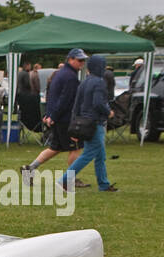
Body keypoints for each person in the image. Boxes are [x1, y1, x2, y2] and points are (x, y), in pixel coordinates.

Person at [23, 48, 87, 185]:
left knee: (55, 148)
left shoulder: (59, 74)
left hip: (58, 118)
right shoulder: (70, 77)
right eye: (79, 60)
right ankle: (71, 179)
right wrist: (54, 116)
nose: (82, 63)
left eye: (83, 60)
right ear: (70, 59)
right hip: (66, 119)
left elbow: (51, 96)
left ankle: (30, 168)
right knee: (75, 148)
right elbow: (65, 100)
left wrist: (49, 115)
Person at [59, 54, 118, 194]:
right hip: (95, 123)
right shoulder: (99, 82)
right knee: (89, 153)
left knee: (100, 156)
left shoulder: (84, 82)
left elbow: (76, 105)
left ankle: (103, 184)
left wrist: (73, 126)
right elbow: (98, 103)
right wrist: (108, 111)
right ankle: (64, 180)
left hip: (83, 123)